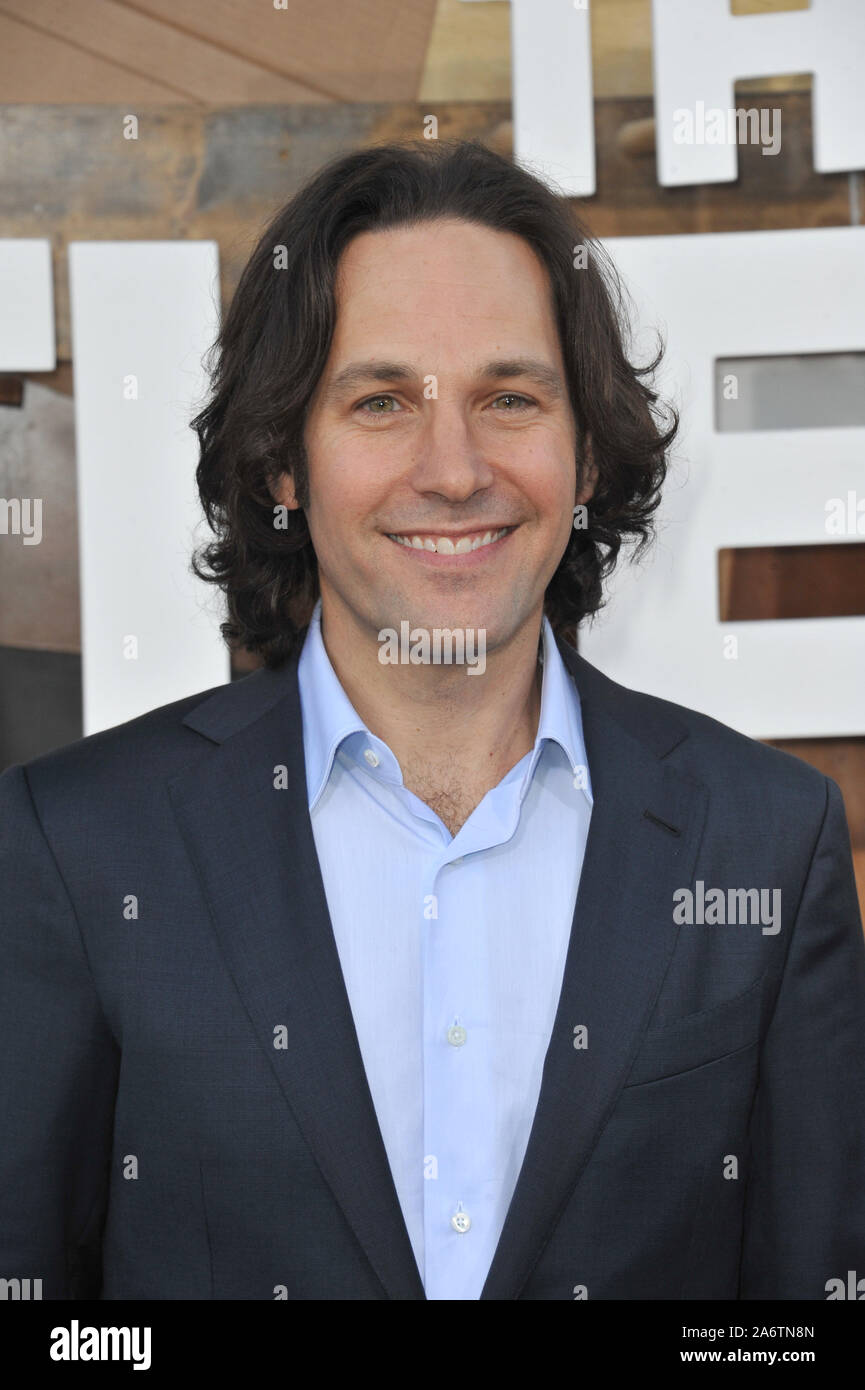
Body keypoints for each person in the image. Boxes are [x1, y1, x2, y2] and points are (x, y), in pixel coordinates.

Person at [1, 140, 863, 1301]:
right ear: (281, 462)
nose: (453, 470)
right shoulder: (79, 846)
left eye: (509, 397)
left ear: (588, 449)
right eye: (380, 400)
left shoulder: (764, 838)